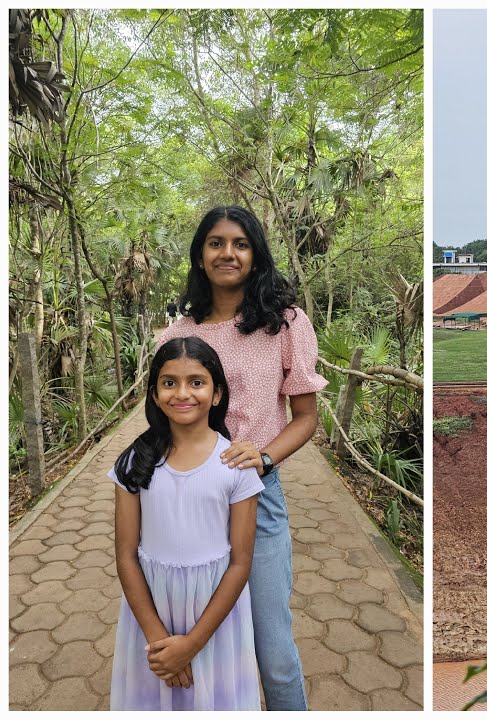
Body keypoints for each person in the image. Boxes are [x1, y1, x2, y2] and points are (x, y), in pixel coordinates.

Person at [159, 205, 327, 710]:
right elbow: (162, 418)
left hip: (257, 497)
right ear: (200, 255)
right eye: (216, 243)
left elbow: (305, 417)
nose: (227, 253)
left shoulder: (285, 324)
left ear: (255, 255)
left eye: (240, 243)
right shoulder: (177, 335)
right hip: (188, 500)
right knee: (197, 642)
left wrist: (266, 457)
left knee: (273, 652)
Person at [110, 337, 262, 710]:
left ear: (217, 393)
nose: (182, 393)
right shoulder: (134, 463)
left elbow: (241, 562)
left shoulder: (236, 466)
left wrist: (191, 645)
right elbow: (126, 556)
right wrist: (159, 640)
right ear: (154, 393)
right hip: (151, 608)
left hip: (215, 615)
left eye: (196, 382)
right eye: (169, 382)